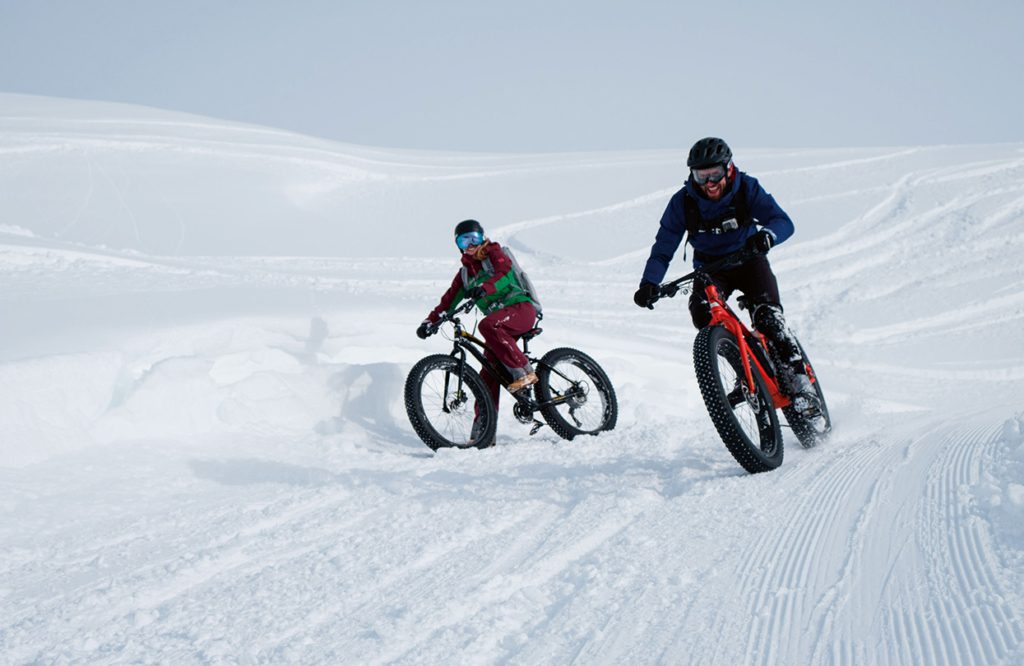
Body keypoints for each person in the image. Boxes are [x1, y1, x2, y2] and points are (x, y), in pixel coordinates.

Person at [633, 137, 819, 415]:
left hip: (749, 261)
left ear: (728, 169)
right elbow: (663, 248)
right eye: (701, 175)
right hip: (711, 270)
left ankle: (802, 384)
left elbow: (783, 222)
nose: (709, 183)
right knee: (704, 316)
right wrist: (649, 283)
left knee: (768, 318)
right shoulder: (682, 203)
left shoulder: (747, 188)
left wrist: (767, 237)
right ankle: (745, 370)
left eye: (715, 174)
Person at [417, 219, 540, 443]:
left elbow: (504, 273)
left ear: (483, 237)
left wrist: (485, 288)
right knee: (488, 374)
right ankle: (484, 430)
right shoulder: (465, 275)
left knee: (487, 325)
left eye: (475, 238)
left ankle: (523, 372)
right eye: (465, 240)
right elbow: (448, 302)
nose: (471, 244)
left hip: (521, 309)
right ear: (459, 245)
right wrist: (430, 322)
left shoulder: (495, 254)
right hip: (500, 327)